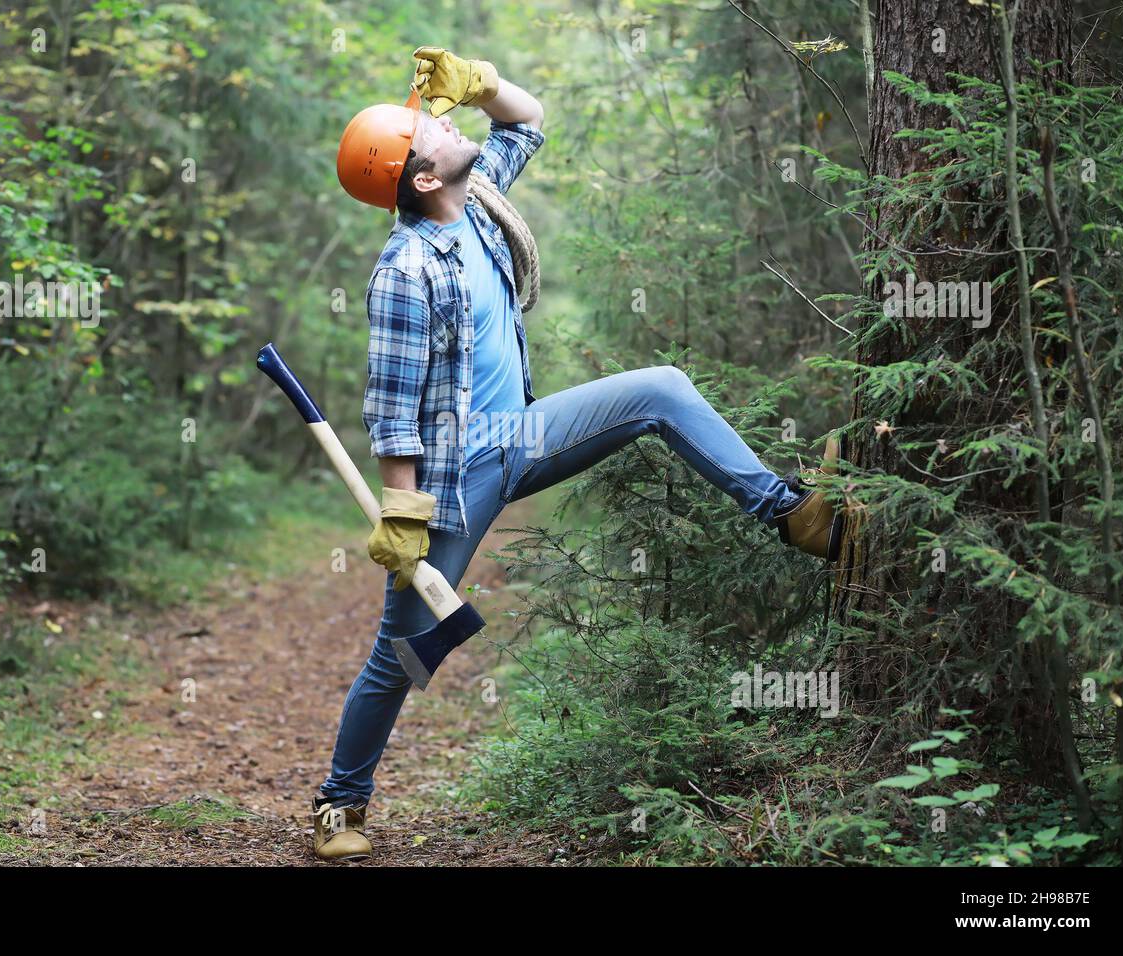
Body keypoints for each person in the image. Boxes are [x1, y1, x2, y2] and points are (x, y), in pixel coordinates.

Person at [313, 46, 842, 861]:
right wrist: (404, 513)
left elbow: (527, 119)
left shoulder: (477, 199)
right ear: (421, 179)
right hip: (456, 476)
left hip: (522, 434)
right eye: (425, 128)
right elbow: (391, 407)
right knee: (406, 654)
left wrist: (482, 81)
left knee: (661, 389)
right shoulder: (405, 267)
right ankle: (340, 806)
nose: (442, 122)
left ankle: (795, 515)